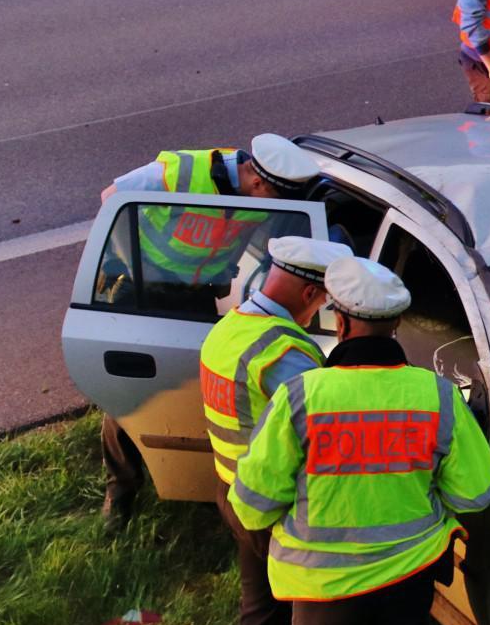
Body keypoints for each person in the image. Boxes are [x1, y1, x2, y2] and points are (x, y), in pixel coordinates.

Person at [231, 257, 490, 625]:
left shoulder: (302, 397)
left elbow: (252, 503)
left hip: (320, 589)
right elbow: (476, 494)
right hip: (406, 580)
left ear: (341, 321)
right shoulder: (434, 395)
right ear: (395, 325)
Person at [99, 133, 323, 532]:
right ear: (258, 182)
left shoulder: (256, 192)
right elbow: (111, 199)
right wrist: (134, 266)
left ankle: (188, 474)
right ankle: (120, 489)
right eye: (273, 200)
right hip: (142, 288)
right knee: (130, 394)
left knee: (197, 382)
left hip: (194, 293)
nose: (271, 212)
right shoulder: (183, 172)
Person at [200, 235, 352, 625]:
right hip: (275, 503)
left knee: (259, 604)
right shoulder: (282, 352)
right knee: (315, 612)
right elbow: (327, 424)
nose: (321, 312)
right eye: (323, 301)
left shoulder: (229, 329)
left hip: (232, 488)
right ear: (309, 294)